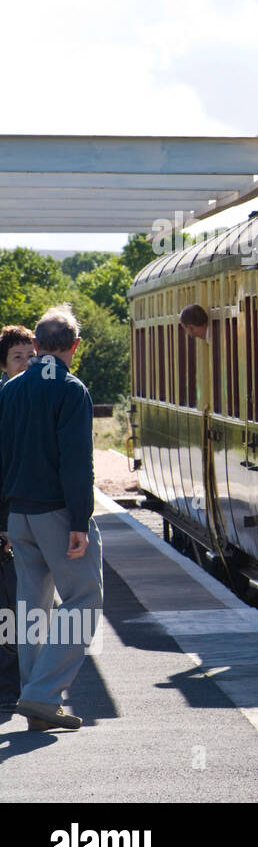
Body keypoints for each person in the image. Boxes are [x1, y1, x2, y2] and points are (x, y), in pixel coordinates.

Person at [0, 305, 102, 732]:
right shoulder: (71, 390)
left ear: (37, 345)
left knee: (31, 610)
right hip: (56, 514)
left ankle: (35, 699)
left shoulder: (11, 389)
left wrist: (3, 518)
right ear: (74, 346)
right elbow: (77, 462)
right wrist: (80, 521)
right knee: (83, 600)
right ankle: (42, 696)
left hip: (18, 516)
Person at [0, 325, 35, 711]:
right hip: (9, 521)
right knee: (8, 607)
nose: (25, 364)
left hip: (27, 519)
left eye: (30, 356)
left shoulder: (34, 399)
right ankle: (10, 688)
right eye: (17, 357)